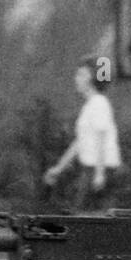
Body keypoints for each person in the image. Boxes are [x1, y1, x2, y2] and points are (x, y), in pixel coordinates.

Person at [42, 58, 121, 209]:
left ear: (91, 78)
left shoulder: (99, 103)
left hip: (100, 169)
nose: (76, 79)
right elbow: (80, 142)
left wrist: (99, 174)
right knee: (82, 215)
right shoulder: (90, 105)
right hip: (91, 170)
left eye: (81, 74)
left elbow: (101, 138)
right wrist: (59, 168)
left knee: (84, 217)